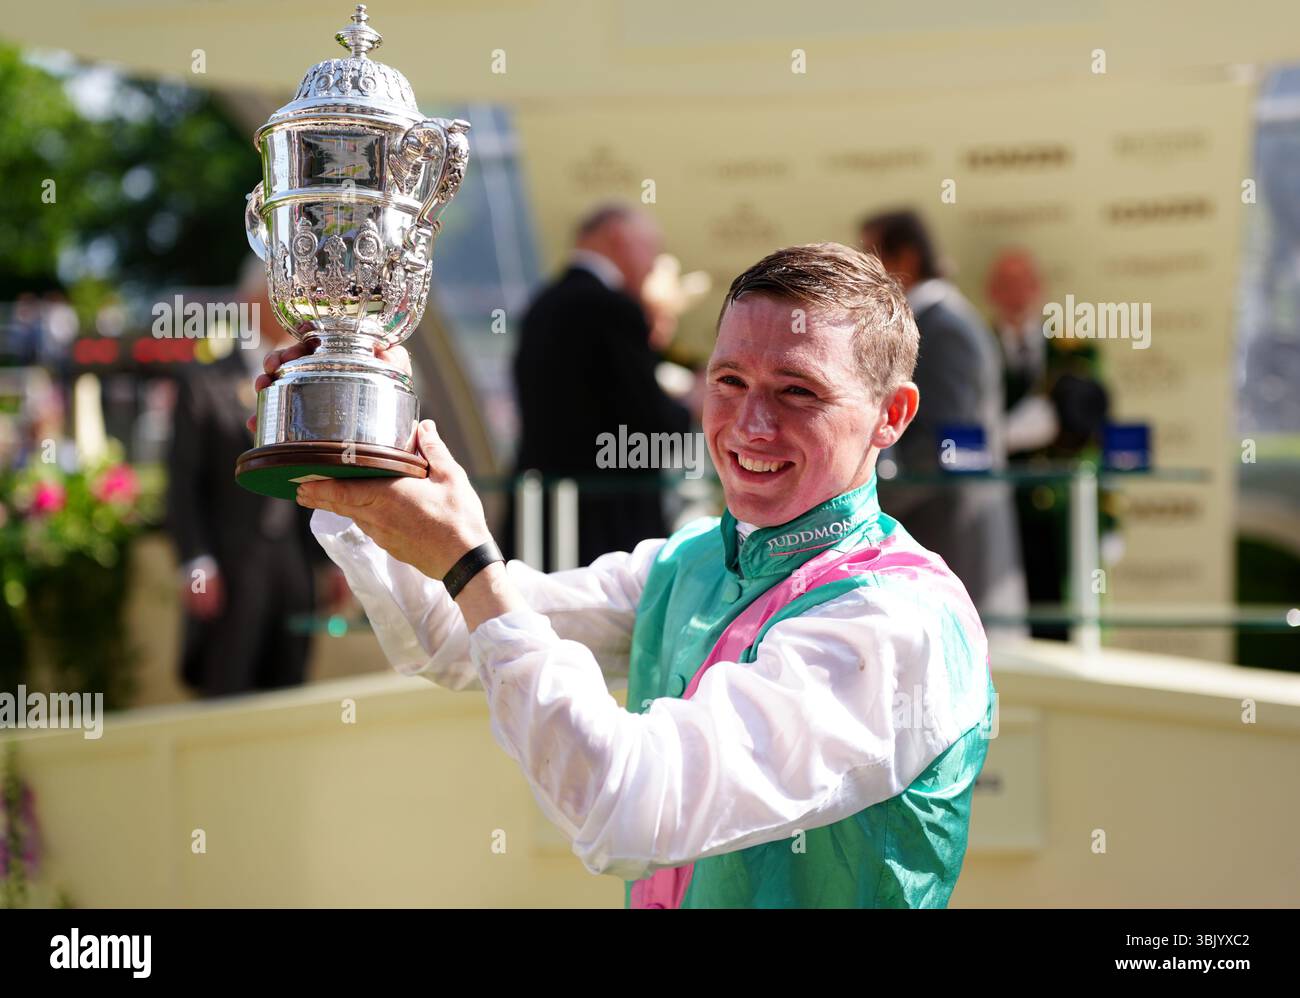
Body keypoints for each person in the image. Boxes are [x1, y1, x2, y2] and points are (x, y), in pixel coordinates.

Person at [258, 243, 996, 909]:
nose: (748, 425)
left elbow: (630, 807)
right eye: (730, 380)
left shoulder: (901, 619)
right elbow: (452, 634)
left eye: (797, 391)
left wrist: (469, 560)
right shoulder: (692, 560)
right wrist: (358, 433)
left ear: (891, 415)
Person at [166, 259, 341, 697]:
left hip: (293, 568)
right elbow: (183, 482)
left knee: (290, 691)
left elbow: (316, 473)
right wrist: (196, 562)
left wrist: (334, 559)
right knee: (228, 690)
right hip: (229, 567)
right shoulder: (202, 382)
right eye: (284, 296)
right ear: (253, 302)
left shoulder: (304, 379)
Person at [860, 209, 1027, 622]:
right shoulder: (935, 320)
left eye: (870, 257)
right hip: (936, 549)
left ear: (907, 259)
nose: (862, 274)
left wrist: (861, 497)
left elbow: (945, 446)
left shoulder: (944, 326)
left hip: (951, 547)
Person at [502, 203, 691, 569]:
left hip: (540, 522)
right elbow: (650, 425)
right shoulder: (612, 308)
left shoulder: (542, 304)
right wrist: (690, 407)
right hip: (610, 529)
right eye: (651, 248)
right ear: (618, 237)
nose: (654, 264)